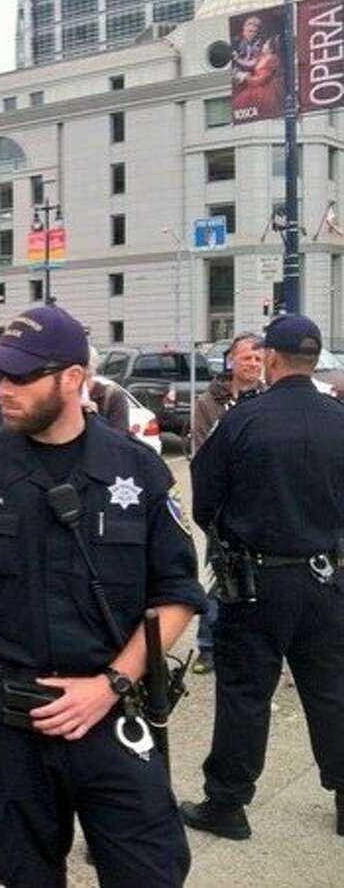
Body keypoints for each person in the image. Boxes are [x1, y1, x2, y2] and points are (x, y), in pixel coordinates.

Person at [0, 305, 203, 887]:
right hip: (11, 727)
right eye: (0, 375)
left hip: (111, 717)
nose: (5, 389)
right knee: (21, 873)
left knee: (150, 872)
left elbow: (177, 593)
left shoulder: (136, 470)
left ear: (73, 378)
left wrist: (111, 684)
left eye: (22, 377)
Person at [182, 314, 344, 842]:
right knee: (331, 688)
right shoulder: (338, 418)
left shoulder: (243, 420)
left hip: (256, 581)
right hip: (327, 577)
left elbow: (204, 500)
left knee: (245, 693)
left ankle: (227, 803)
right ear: (314, 359)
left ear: (270, 358)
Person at [189, 332, 264, 675]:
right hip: (222, 504)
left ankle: (253, 643)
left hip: (259, 502)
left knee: (259, 575)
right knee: (220, 573)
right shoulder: (209, 402)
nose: (253, 364)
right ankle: (207, 645)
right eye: (247, 357)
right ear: (231, 360)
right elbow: (202, 455)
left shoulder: (268, 399)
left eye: (259, 359)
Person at [83, 347, 130, 434]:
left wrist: (94, 419)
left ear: (91, 370)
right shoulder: (63, 397)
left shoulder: (113, 397)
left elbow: (119, 440)